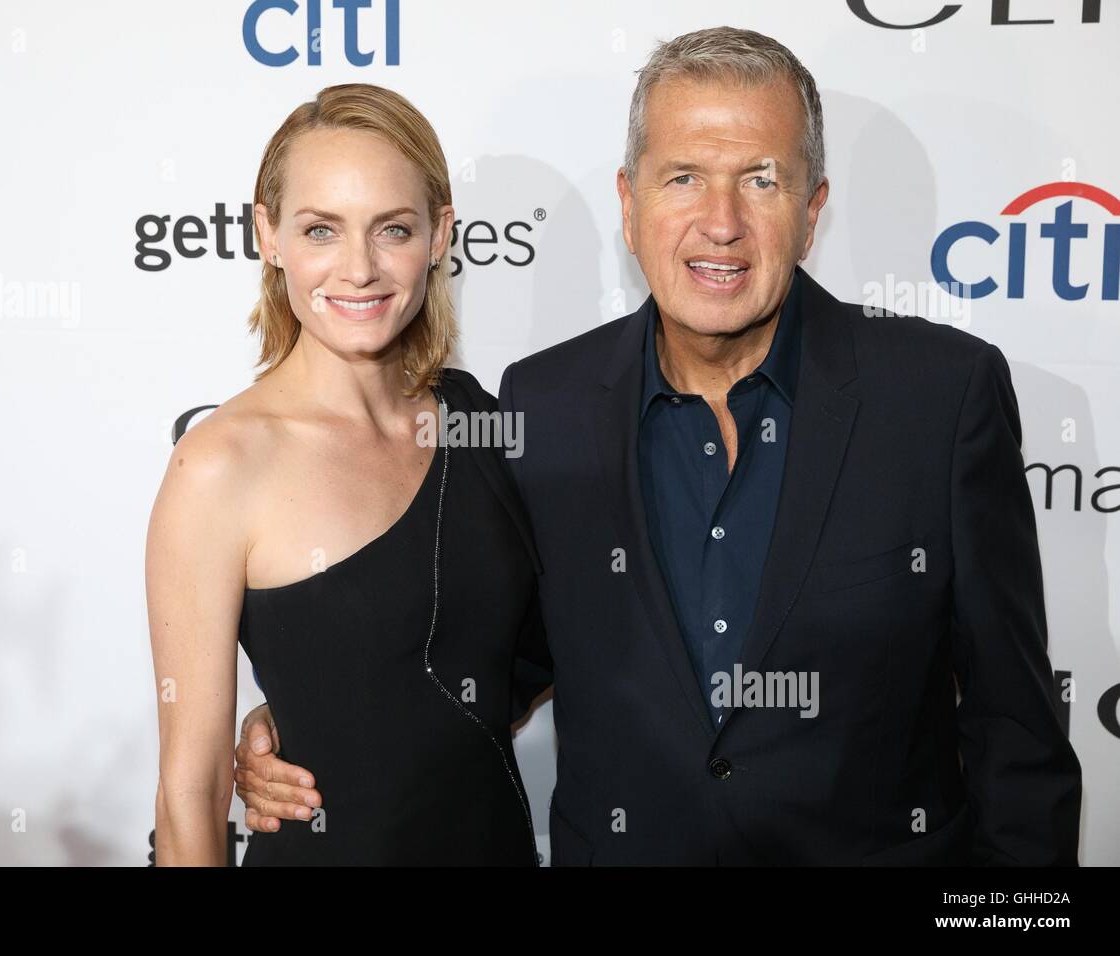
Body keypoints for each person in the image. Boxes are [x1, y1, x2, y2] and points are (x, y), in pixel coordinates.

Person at [236, 27, 1082, 865]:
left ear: (813, 209)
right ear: (630, 204)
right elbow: (497, 653)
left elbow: (1016, 722)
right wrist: (313, 719)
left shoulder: (938, 395)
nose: (722, 224)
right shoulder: (543, 404)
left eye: (762, 179)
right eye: (683, 178)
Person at [146, 83, 548, 866]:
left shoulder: (480, 421)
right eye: (321, 229)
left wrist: (305, 705)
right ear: (268, 236)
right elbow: (187, 794)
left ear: (439, 235)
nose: (358, 269)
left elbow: (531, 653)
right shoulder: (220, 465)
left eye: (391, 229)